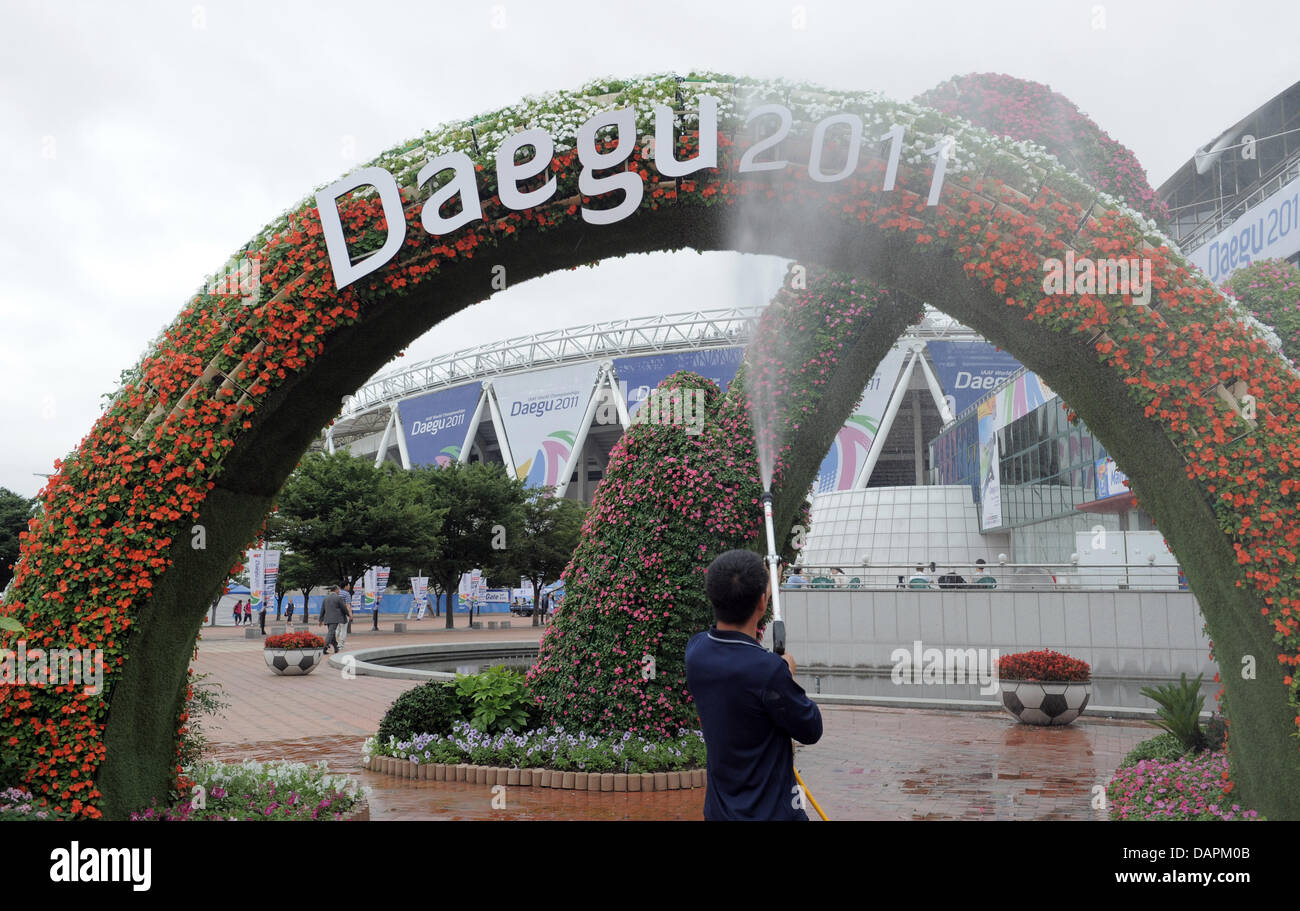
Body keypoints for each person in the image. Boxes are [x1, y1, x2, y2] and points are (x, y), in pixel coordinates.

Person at [685, 549, 823, 821]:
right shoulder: (771, 672)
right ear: (761, 604)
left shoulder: (696, 651)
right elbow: (811, 729)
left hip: (720, 813)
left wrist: (763, 594)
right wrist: (788, 676)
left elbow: (738, 645)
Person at [319, 584, 352, 654]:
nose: (339, 591)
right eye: (338, 590)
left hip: (327, 618)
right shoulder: (338, 598)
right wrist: (348, 615)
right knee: (331, 633)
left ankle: (336, 648)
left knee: (332, 633)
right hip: (335, 619)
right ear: (336, 590)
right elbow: (344, 608)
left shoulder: (326, 598)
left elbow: (322, 610)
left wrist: (320, 620)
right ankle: (324, 647)